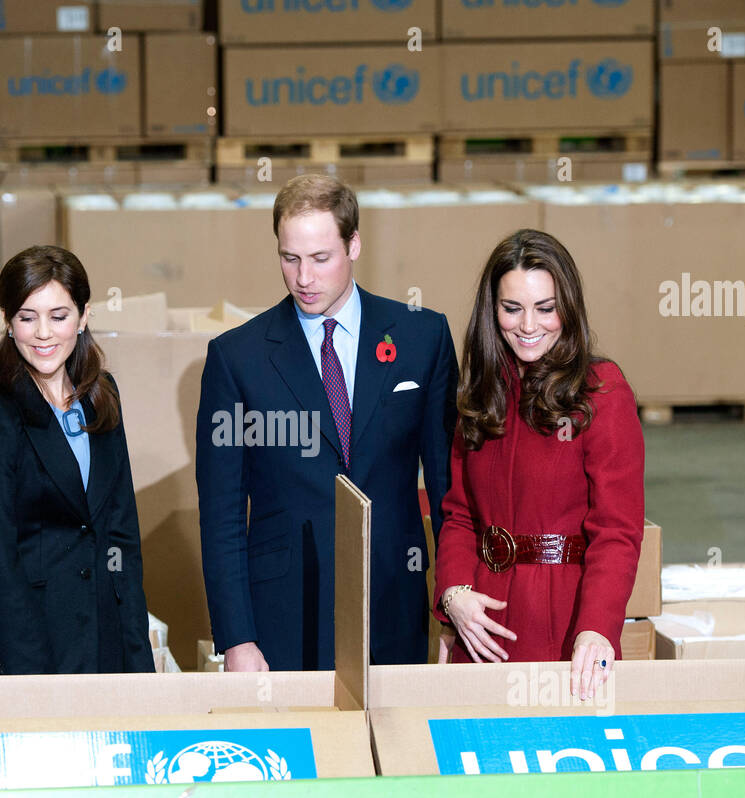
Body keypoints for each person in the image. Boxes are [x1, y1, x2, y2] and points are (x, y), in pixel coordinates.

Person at [196, 174, 458, 671]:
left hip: (395, 604)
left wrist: (450, 603)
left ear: (354, 244)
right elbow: (222, 511)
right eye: (289, 258)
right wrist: (235, 638)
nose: (303, 278)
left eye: (321, 258)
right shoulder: (237, 358)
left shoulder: (423, 337)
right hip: (283, 620)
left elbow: (449, 492)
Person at [432, 229, 644, 700]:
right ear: (492, 311)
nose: (528, 325)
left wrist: (598, 627)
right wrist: (454, 596)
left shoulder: (602, 393)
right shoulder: (481, 393)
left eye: (545, 308)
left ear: (567, 308)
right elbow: (459, 514)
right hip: (481, 625)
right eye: (512, 309)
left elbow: (618, 529)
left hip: (566, 630)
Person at [0, 246, 153, 674]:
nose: (43, 333)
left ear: (83, 317)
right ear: (9, 324)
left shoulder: (102, 394)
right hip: (34, 643)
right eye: (27, 318)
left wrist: (137, 654)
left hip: (107, 634)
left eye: (59, 316)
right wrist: (32, 673)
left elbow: (121, 530)